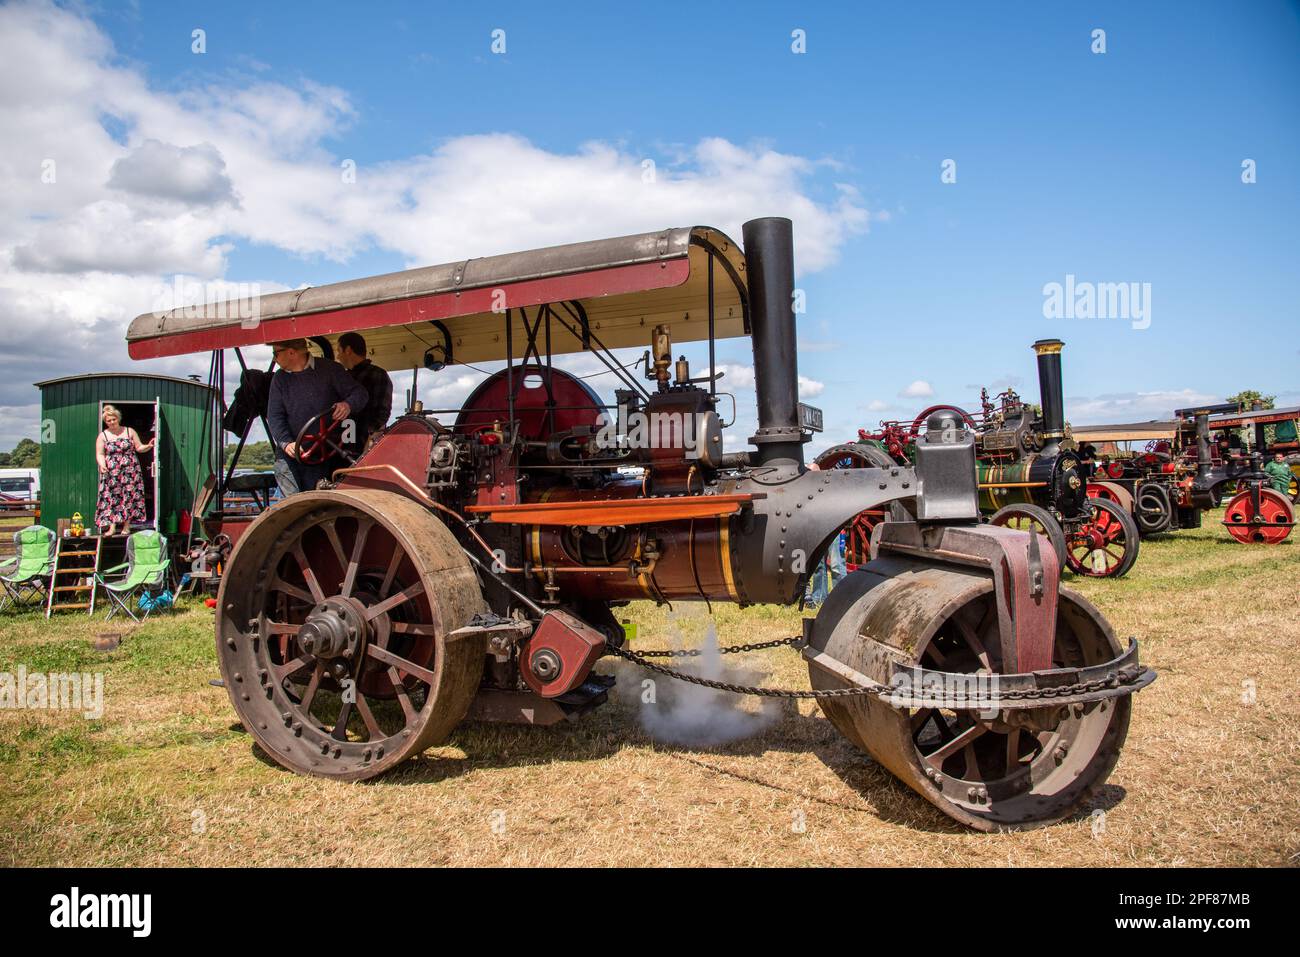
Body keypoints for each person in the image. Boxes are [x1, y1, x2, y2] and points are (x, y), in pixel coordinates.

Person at [267, 339, 367, 496]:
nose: (274, 359)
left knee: (326, 498)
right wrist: (286, 443)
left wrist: (347, 405)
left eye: (275, 354)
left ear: (291, 352)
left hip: (327, 453)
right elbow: (274, 416)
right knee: (293, 505)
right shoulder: (279, 379)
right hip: (293, 456)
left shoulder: (331, 369)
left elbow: (360, 394)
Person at [95, 404, 154, 537]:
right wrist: (102, 465)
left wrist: (149, 446)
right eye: (108, 421)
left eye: (113, 419)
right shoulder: (103, 435)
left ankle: (126, 526)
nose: (111, 422)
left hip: (130, 470)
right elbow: (100, 453)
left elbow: (139, 448)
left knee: (129, 496)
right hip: (112, 471)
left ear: (118, 418)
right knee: (113, 498)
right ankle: (112, 527)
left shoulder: (129, 431)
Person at [336, 331, 393, 445]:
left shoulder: (378, 374)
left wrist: (370, 439)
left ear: (348, 350)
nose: (338, 356)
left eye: (339, 351)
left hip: (364, 443)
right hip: (342, 442)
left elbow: (382, 412)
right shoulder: (343, 377)